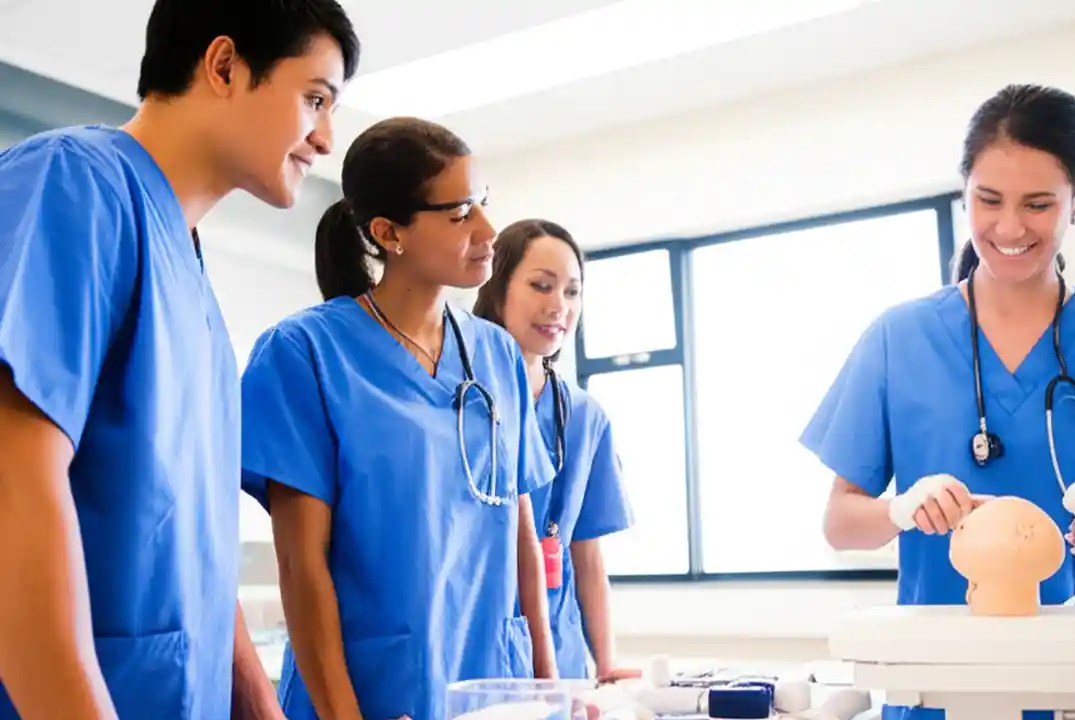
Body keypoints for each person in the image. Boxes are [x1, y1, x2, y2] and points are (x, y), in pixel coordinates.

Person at [801, 83, 1075, 720]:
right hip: (942, 683)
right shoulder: (898, 339)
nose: (1008, 228)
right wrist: (901, 508)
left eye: (1038, 204)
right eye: (988, 199)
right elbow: (840, 524)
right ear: (964, 191)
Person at [0, 1, 359, 718]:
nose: (325, 139)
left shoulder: (190, 280)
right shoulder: (72, 183)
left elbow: (196, 552)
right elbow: (11, 477)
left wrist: (260, 707)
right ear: (224, 66)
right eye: (315, 99)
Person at [239, 117, 558, 720]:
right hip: (371, 689)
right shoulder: (305, 354)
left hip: (491, 683)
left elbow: (520, 528)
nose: (488, 230)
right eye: (460, 214)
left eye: (483, 203)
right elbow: (301, 568)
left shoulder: (496, 354)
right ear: (389, 233)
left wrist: (547, 688)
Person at [473, 220, 636, 682]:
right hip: (477, 637)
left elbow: (587, 553)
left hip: (561, 651)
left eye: (572, 292)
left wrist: (606, 662)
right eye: (541, 286)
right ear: (497, 288)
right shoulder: (463, 399)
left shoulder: (584, 416)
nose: (558, 306)